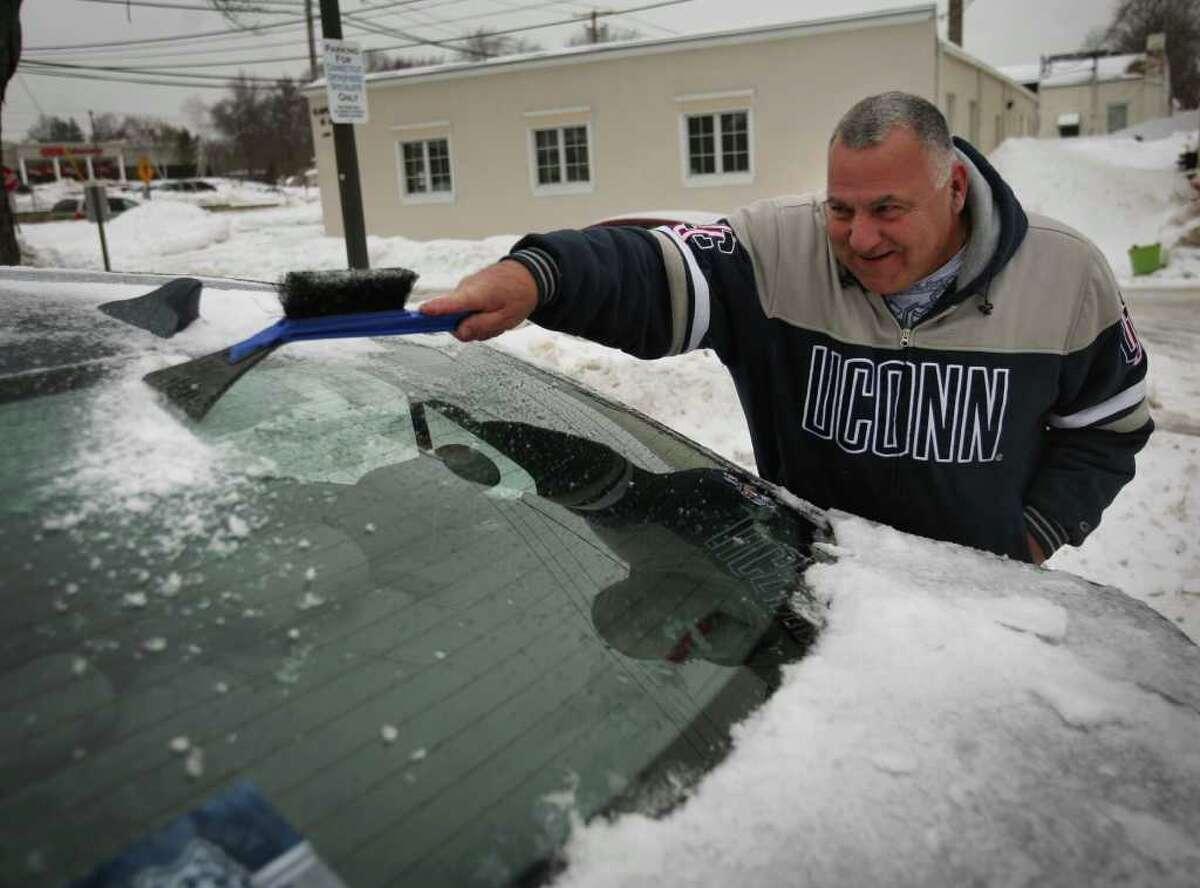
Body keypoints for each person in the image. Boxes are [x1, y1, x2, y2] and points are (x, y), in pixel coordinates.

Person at [420, 91, 1152, 564]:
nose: (860, 238)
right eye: (842, 208)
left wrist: (1031, 536)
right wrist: (538, 276)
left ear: (953, 187)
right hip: (820, 601)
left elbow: (1109, 429)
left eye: (887, 210)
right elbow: (654, 268)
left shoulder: (1064, 274)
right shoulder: (779, 250)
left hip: (973, 619)